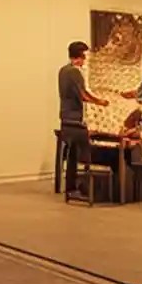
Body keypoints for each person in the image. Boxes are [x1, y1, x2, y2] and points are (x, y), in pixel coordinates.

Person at [59, 40, 108, 198]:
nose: (85, 60)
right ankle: (83, 187)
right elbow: (83, 95)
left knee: (72, 156)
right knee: (85, 154)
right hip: (74, 119)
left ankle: (71, 188)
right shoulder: (74, 72)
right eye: (84, 56)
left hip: (65, 117)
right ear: (78, 56)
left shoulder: (62, 71)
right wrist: (101, 102)